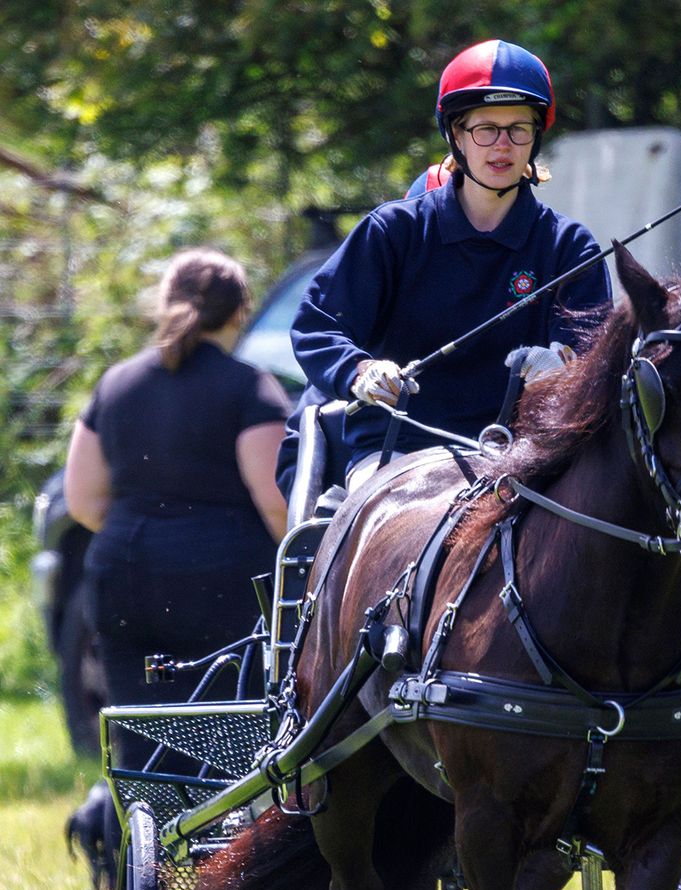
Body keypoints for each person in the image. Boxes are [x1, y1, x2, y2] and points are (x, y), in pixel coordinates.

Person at [289, 38, 609, 488]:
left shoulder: (569, 246)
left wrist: (563, 368)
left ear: (536, 137)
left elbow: (594, 359)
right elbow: (318, 325)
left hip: (520, 459)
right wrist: (360, 371)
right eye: (486, 129)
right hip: (394, 453)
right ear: (456, 135)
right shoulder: (393, 231)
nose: (503, 145)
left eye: (519, 128)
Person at [65, 249, 289, 714]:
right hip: (223, 591)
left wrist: (151, 535)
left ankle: (142, 769)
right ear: (239, 313)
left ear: (165, 302)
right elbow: (274, 502)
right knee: (228, 727)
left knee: (144, 721)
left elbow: (83, 501)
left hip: (125, 586)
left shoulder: (115, 383)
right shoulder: (250, 387)